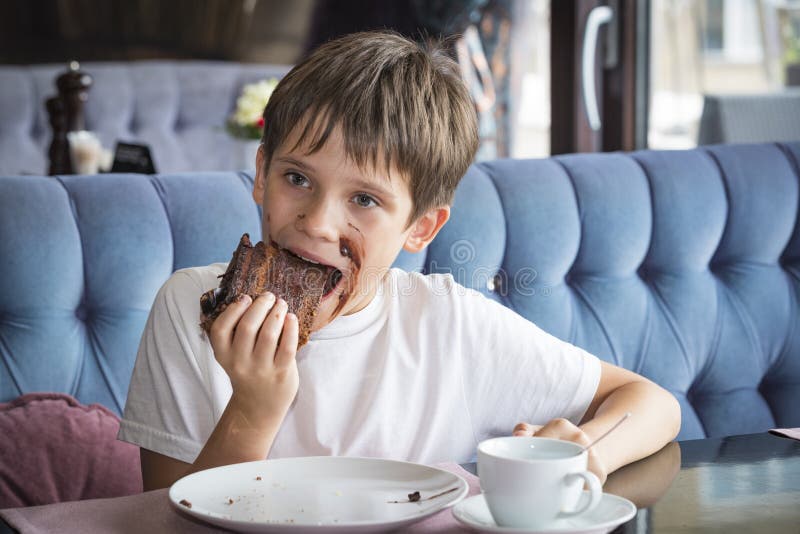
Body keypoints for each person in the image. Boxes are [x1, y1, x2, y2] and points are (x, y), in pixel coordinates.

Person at [118, 31, 680, 491]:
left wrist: (590, 451)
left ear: (420, 227)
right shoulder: (192, 308)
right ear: (261, 175)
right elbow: (170, 521)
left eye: (364, 199)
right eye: (298, 178)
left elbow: (651, 403)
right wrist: (254, 409)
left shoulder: (446, 325)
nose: (317, 222)